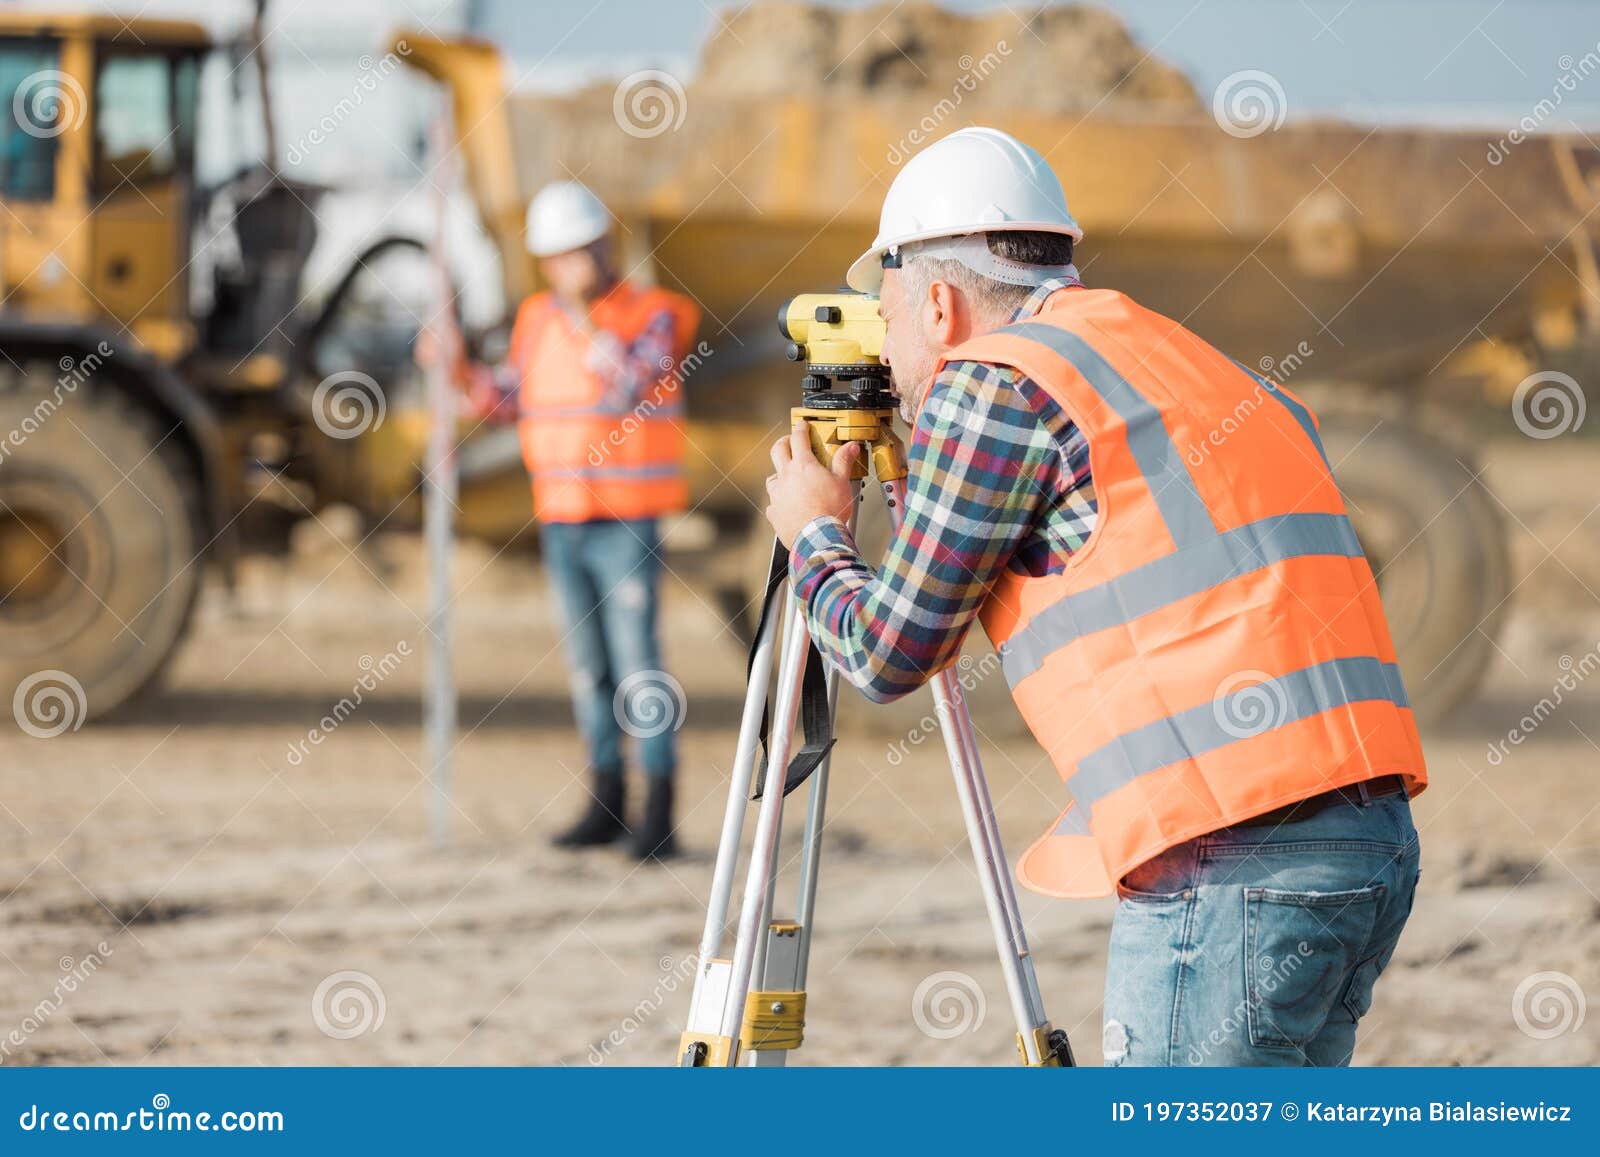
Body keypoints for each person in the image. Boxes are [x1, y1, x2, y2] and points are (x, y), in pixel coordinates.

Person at [761, 127, 1426, 1065]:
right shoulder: (1175, 359)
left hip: (1233, 854)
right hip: (1368, 841)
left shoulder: (991, 385)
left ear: (940, 302)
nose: (889, 341)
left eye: (889, 308)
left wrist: (816, 532)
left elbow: (884, 653)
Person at [456, 180, 699, 860]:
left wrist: (583, 318)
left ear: (601, 247)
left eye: (574, 254)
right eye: (552, 259)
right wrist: (456, 369)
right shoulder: (537, 318)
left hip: (626, 521)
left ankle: (659, 815)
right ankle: (606, 804)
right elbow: (509, 399)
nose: (563, 270)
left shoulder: (654, 314)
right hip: (561, 517)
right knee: (589, 669)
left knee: (638, 669)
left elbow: (629, 384)